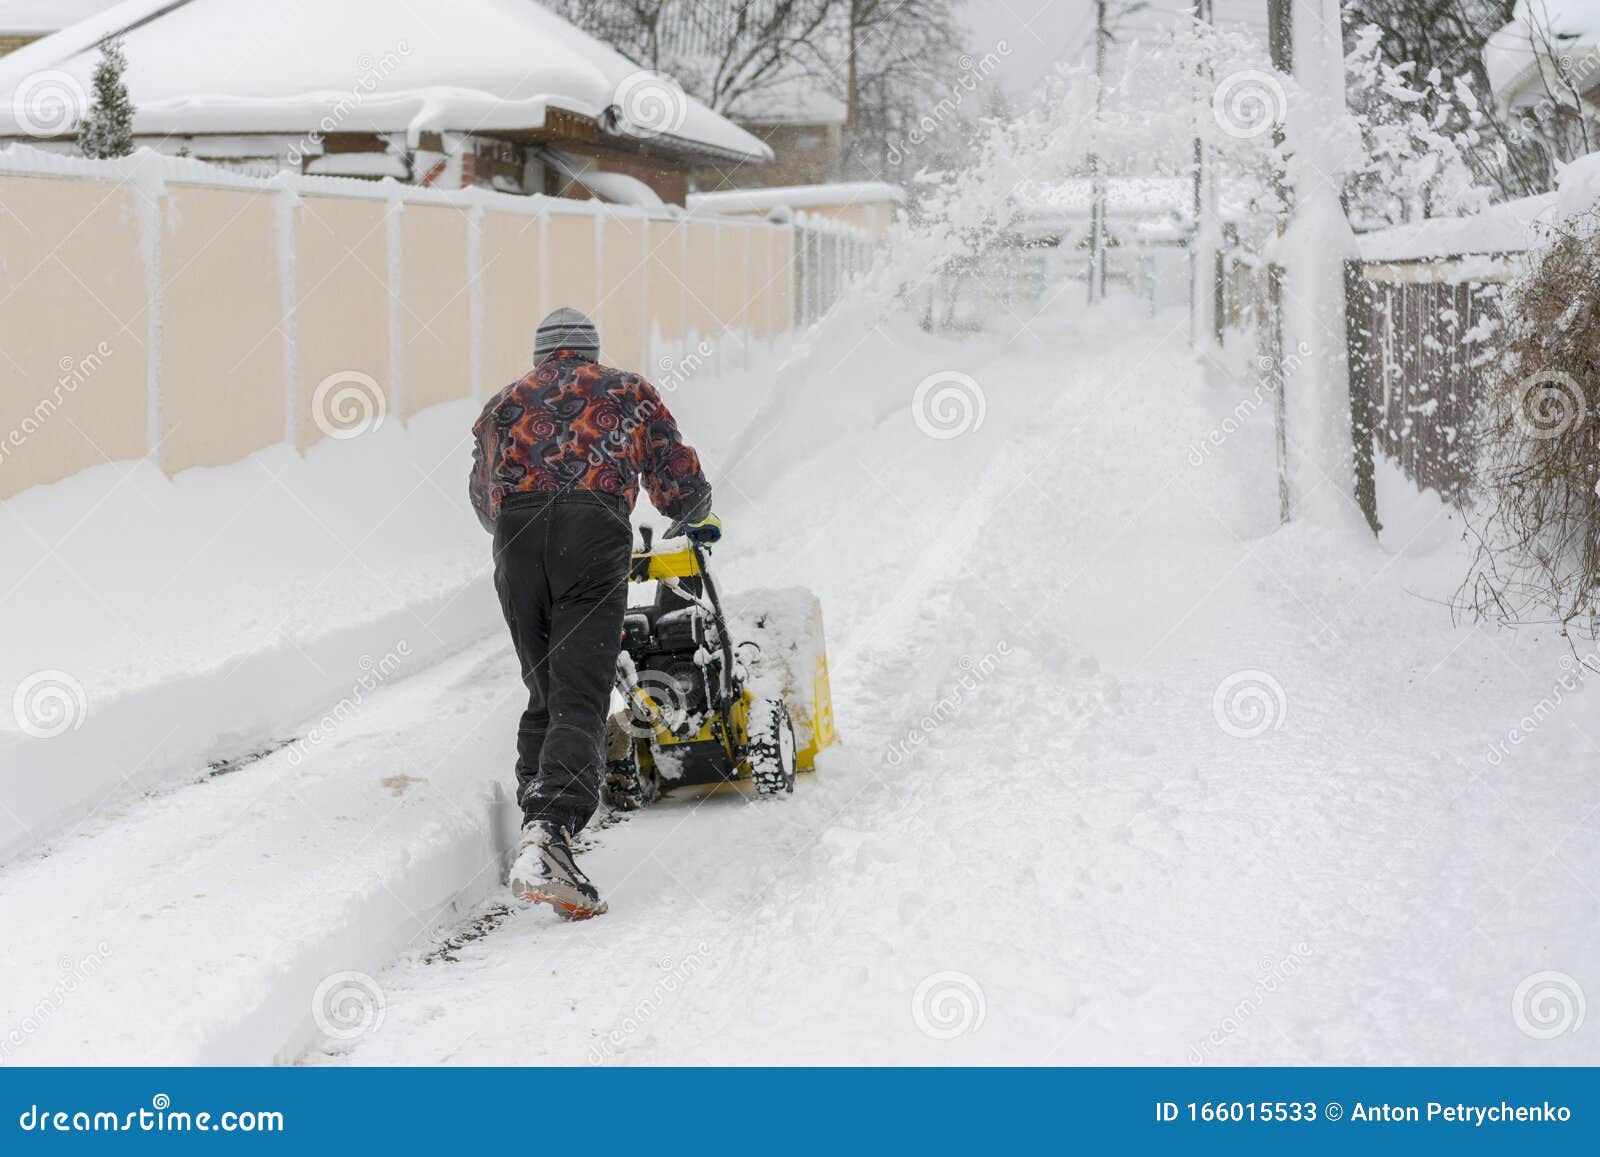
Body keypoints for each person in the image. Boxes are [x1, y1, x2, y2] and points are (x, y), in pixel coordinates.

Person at [469, 307, 721, 920]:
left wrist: (517, 535)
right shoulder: (625, 388)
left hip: (517, 539)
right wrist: (694, 512)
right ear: (591, 352)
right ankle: (550, 837)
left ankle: (538, 826)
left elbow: (482, 492)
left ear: (540, 357)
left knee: (548, 690)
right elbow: (671, 464)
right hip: (593, 533)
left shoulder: (504, 401)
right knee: (581, 693)